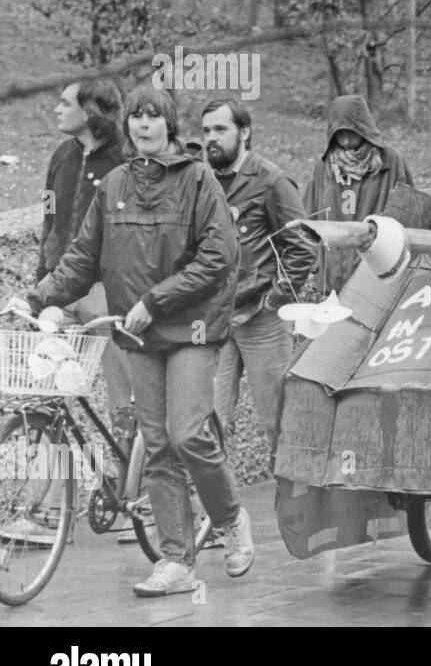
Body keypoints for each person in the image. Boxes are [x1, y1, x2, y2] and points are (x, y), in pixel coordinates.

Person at [12, 86, 253, 597]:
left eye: (153, 117)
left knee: (187, 433)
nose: (143, 125)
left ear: (168, 124)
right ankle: (176, 562)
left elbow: (218, 258)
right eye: (136, 118)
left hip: (189, 325)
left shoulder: (197, 179)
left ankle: (230, 519)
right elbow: (82, 256)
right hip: (136, 331)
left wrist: (154, 303)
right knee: (159, 446)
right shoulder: (116, 182)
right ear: (128, 127)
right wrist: (37, 298)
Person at [202, 99, 317, 442]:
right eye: (206, 130)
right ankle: (219, 495)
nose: (211, 138)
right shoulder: (203, 182)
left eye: (221, 129)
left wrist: (275, 298)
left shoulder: (271, 181)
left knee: (277, 419)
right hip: (217, 318)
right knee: (210, 422)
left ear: (245, 132)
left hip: (261, 317)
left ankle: (294, 491)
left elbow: (303, 245)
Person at [36, 78, 132, 422]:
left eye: (65, 103)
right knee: (47, 393)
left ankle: (132, 471)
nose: (57, 109)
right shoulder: (61, 155)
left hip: (108, 295)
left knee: (125, 399)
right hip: (61, 288)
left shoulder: (127, 159)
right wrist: (43, 277)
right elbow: (49, 216)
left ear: (90, 111)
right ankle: (54, 470)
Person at [302, 94, 413, 295]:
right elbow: (308, 216)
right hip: (331, 276)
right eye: (339, 132)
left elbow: (410, 212)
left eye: (351, 131)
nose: (345, 139)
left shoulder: (390, 161)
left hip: (376, 271)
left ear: (364, 128)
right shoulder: (325, 165)